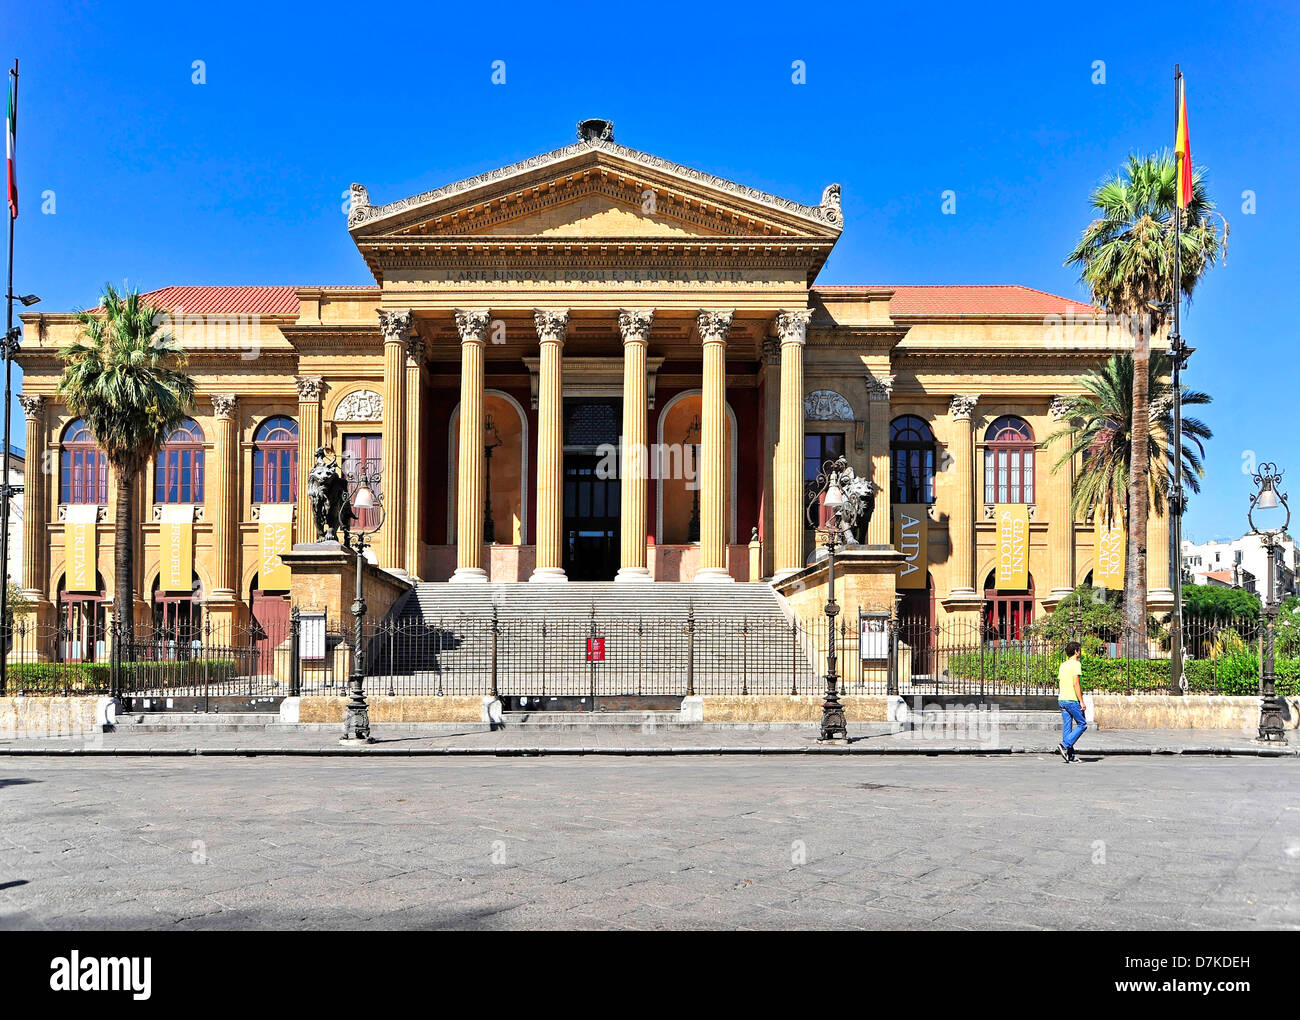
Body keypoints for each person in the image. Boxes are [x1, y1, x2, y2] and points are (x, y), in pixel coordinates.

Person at [1057, 641, 1086, 763]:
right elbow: (1076, 683)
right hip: (1071, 699)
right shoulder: (1076, 664)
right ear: (1076, 651)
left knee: (1067, 727)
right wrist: (1081, 701)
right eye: (1080, 650)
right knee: (1082, 724)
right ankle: (1064, 745)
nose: (1080, 652)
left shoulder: (1063, 665)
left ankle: (1070, 755)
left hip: (1062, 699)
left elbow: (1060, 682)